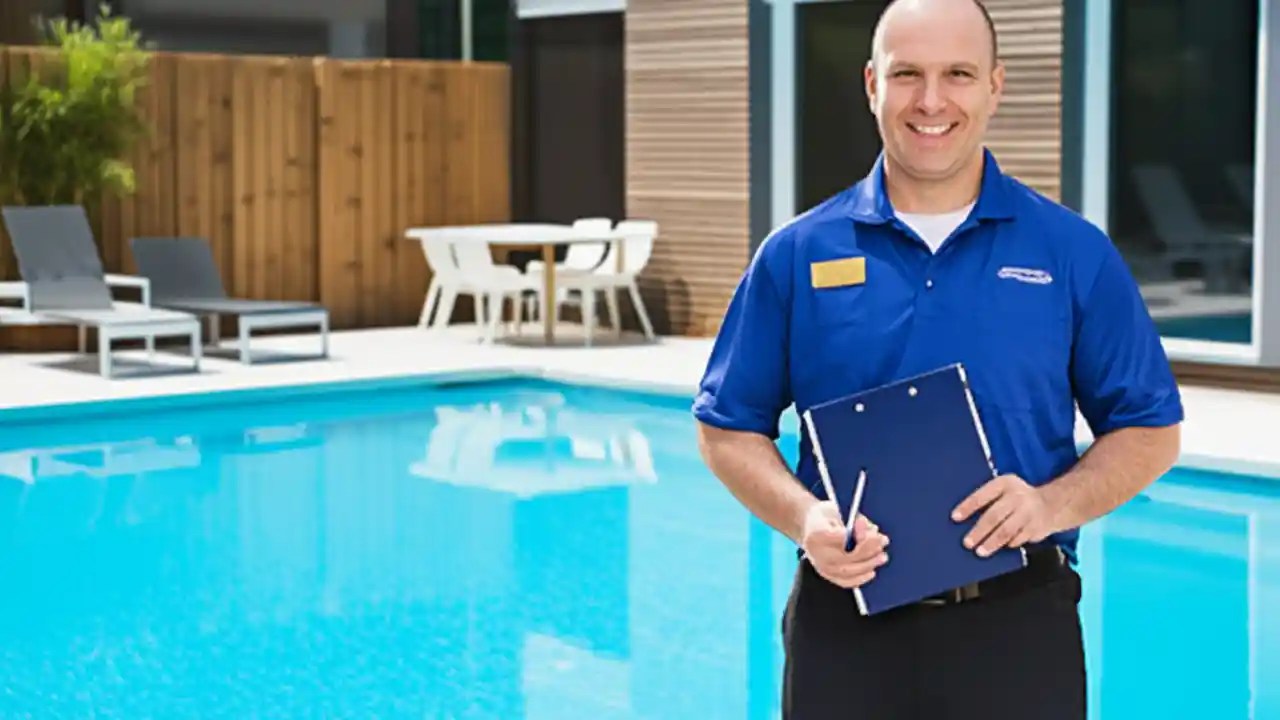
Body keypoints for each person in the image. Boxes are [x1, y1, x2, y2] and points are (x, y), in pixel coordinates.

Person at [690, 0, 1184, 717]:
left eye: (957, 73)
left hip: (1018, 626)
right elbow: (725, 427)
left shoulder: (1072, 253)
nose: (930, 101)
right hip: (844, 628)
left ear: (995, 86)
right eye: (907, 74)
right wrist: (806, 520)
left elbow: (1150, 429)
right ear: (871, 85)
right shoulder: (796, 255)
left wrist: (1051, 504)